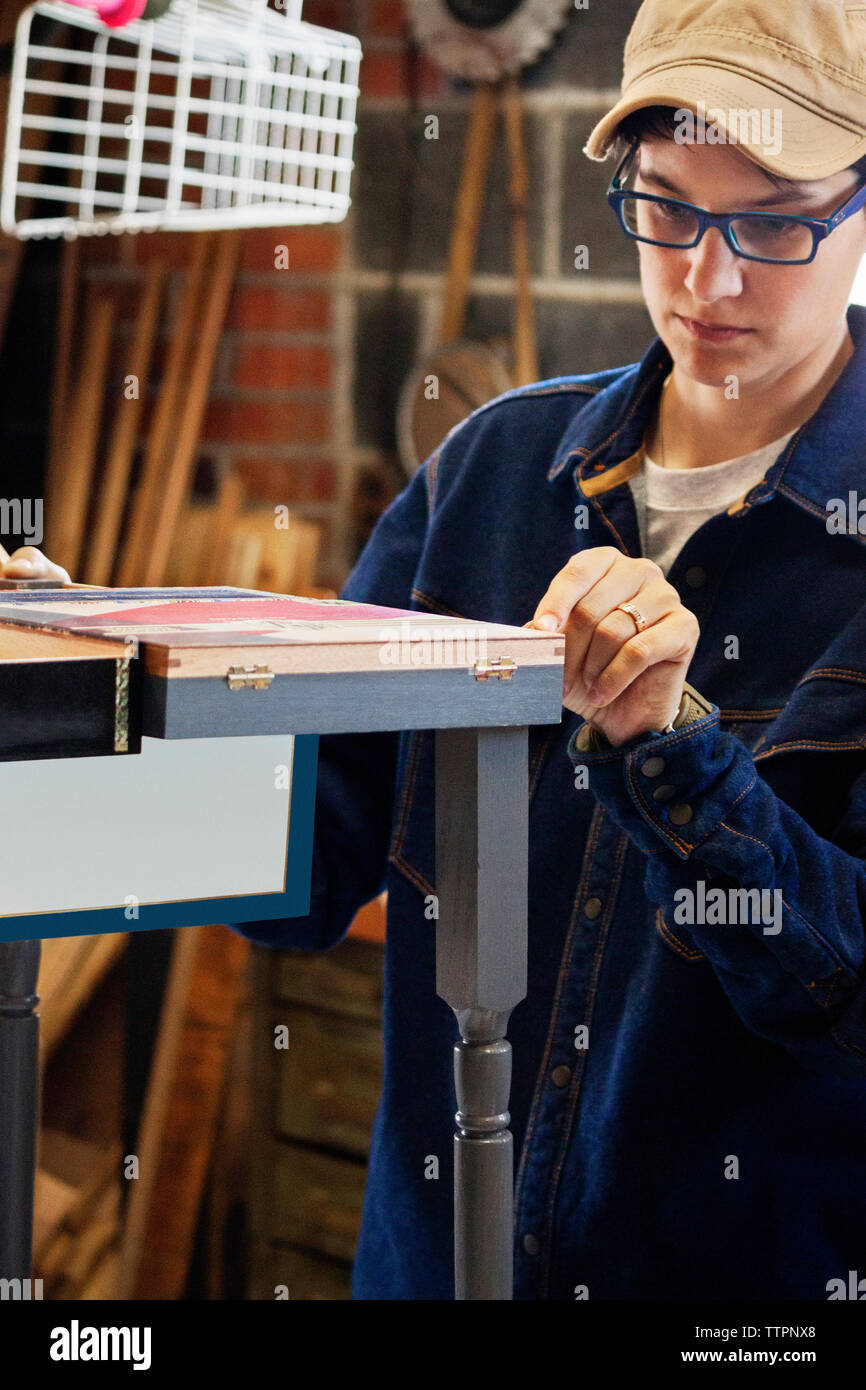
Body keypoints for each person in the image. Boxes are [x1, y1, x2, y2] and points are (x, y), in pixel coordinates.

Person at [202, 0, 866, 1298]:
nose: (705, 279)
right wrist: (101, 698)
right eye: (665, 207)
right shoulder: (492, 473)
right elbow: (293, 880)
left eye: (774, 221)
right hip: (435, 1266)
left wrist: (672, 754)